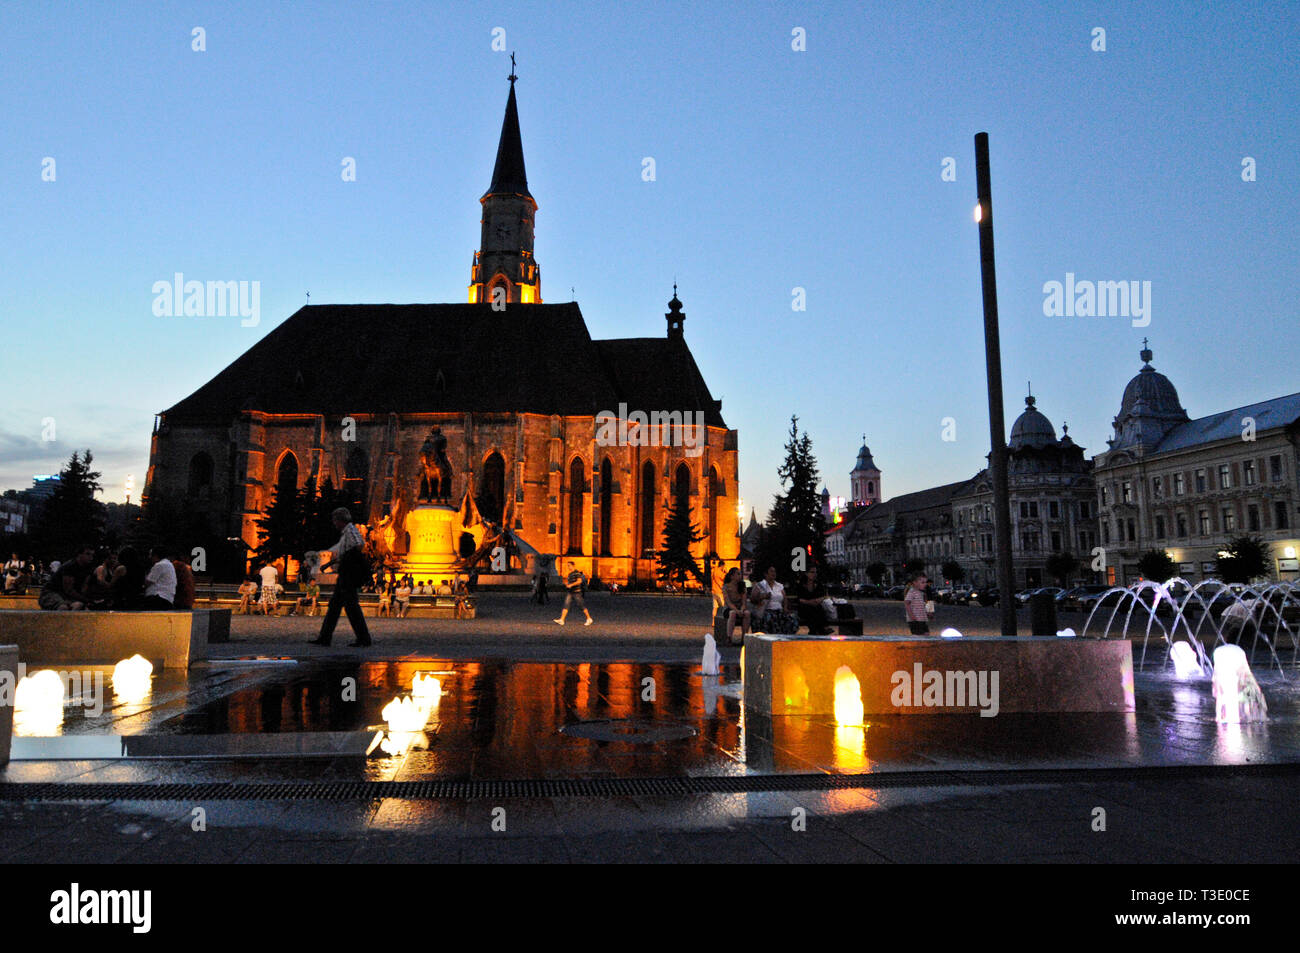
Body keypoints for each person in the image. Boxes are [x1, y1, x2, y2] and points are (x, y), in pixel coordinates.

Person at [309, 507, 373, 647]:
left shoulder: (350, 530)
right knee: (336, 606)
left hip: (348, 573)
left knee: (350, 607)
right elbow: (338, 549)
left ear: (339, 520)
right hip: (346, 572)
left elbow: (359, 543)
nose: (334, 524)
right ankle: (325, 637)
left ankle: (363, 638)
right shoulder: (346, 533)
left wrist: (348, 558)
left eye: (335, 520)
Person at [38, 544, 95, 610]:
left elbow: (83, 588)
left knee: (80, 606)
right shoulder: (70, 566)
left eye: (92, 555)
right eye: (87, 554)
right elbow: (69, 590)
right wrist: (86, 599)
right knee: (63, 607)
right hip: (51, 593)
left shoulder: (88, 569)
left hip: (65, 596)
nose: (91, 557)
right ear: (79, 555)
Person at [749, 564, 795, 634]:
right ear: (766, 574)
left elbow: (784, 599)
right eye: (771, 571)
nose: (774, 573)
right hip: (766, 610)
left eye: (774, 572)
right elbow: (753, 599)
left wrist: (785, 608)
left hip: (779, 611)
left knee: (791, 619)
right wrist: (763, 597)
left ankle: (785, 638)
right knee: (770, 618)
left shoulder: (779, 586)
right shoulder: (760, 585)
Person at [793, 565, 833, 635]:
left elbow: (822, 596)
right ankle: (821, 629)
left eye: (815, 572)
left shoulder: (818, 584)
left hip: (815, 607)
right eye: (812, 572)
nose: (814, 574)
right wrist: (810, 602)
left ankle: (815, 631)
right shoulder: (801, 584)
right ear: (806, 573)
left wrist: (817, 600)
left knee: (817, 608)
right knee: (811, 609)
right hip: (804, 608)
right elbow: (800, 599)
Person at [722, 567, 752, 645]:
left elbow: (744, 602)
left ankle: (744, 637)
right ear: (732, 576)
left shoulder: (742, 586)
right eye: (738, 574)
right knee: (732, 613)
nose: (740, 575)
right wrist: (737, 610)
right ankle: (729, 637)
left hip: (740, 608)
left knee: (747, 613)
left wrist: (741, 610)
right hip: (729, 609)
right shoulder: (726, 587)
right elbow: (728, 602)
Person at [904, 570, 932, 635]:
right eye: (922, 582)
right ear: (915, 583)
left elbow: (923, 604)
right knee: (919, 636)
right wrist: (911, 616)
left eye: (925, 582)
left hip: (922, 618)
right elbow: (907, 603)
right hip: (915, 620)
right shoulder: (912, 591)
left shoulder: (921, 592)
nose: (925, 584)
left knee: (926, 634)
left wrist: (928, 612)